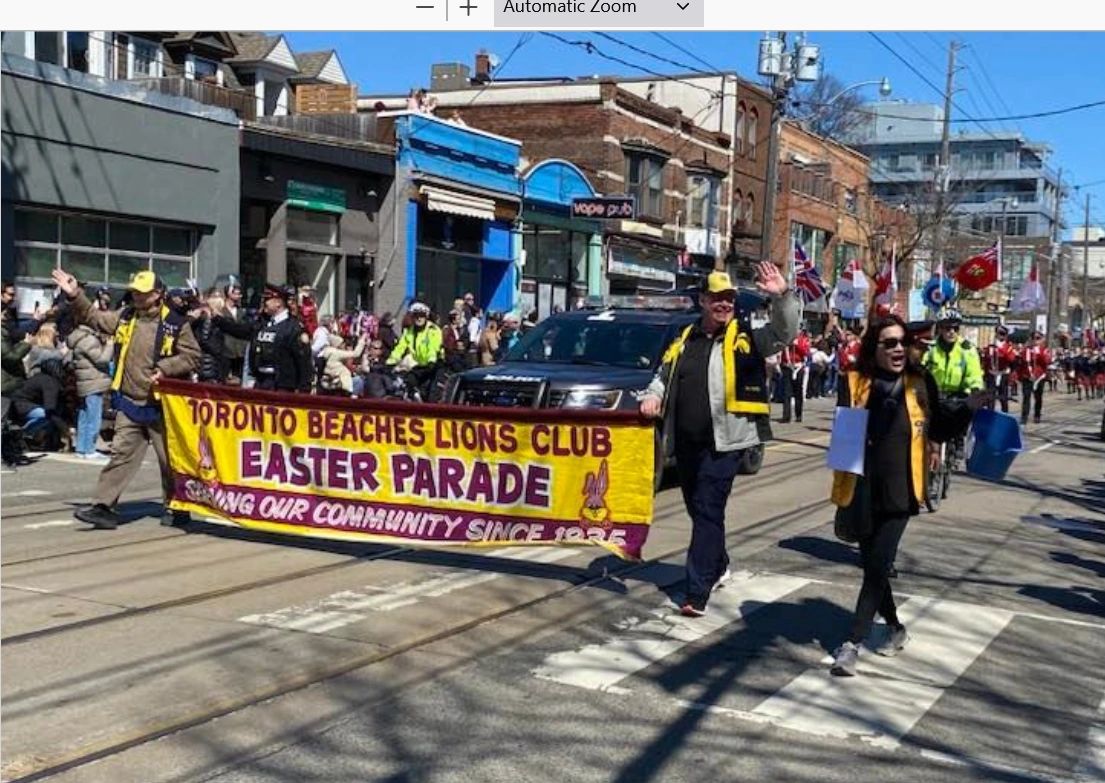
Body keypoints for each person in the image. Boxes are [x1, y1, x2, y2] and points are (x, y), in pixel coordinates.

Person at [829, 315, 986, 676]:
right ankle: (895, 627)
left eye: (902, 342)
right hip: (862, 488)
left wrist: (969, 407)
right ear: (875, 348)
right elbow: (844, 440)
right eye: (889, 343)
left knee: (877, 567)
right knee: (874, 566)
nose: (898, 348)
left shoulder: (919, 381)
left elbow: (940, 427)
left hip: (902, 490)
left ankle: (851, 644)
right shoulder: (853, 381)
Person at [640, 263, 798, 617]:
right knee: (700, 511)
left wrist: (783, 296)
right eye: (717, 298)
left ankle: (697, 590)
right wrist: (652, 395)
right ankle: (719, 562)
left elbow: (784, 332)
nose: (725, 304)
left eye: (729, 298)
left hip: (726, 442)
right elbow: (662, 376)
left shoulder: (748, 334)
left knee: (709, 508)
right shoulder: (685, 337)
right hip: (686, 443)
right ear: (703, 300)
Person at [50, 267, 201, 530]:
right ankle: (103, 506)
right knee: (120, 455)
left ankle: (177, 505)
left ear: (158, 294)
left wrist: (165, 368)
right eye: (134, 292)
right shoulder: (125, 316)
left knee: (170, 460)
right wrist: (75, 295)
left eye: (143, 293)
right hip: (130, 402)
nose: (137, 297)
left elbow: (192, 356)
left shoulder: (176, 323)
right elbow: (94, 318)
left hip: (163, 405)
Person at [220, 283, 313, 393]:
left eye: (267, 299)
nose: (264, 303)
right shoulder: (262, 324)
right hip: (261, 382)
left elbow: (304, 364)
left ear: (278, 303)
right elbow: (239, 330)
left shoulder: (293, 328)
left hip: (282, 386)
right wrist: (216, 318)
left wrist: (303, 391)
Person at [66, 320, 113, 461]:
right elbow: (102, 359)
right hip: (93, 381)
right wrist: (109, 345)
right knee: (94, 417)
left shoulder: (77, 338)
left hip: (84, 382)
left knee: (84, 416)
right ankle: (90, 449)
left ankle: (81, 448)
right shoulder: (88, 340)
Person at [922, 310, 984, 401]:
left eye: (956, 328)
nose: (952, 332)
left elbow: (975, 375)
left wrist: (975, 390)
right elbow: (919, 370)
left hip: (958, 399)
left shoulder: (967, 349)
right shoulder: (931, 348)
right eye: (948, 328)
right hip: (933, 397)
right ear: (940, 329)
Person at [387, 301, 443, 400]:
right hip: (419, 365)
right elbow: (400, 348)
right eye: (416, 316)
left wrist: (431, 361)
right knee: (408, 382)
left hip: (434, 365)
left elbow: (433, 347)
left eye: (422, 316)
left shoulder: (433, 330)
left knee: (432, 395)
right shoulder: (409, 331)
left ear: (426, 317)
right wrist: (390, 362)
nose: (419, 318)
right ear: (412, 317)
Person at [193, 288, 233, 385]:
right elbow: (204, 340)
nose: (219, 299)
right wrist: (219, 352)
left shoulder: (219, 316)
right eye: (215, 296)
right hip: (208, 364)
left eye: (220, 296)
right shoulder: (207, 317)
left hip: (216, 364)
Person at [1016, 330, 1051, 425]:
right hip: (1027, 377)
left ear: (1042, 339)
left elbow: (1047, 361)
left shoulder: (1044, 350)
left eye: (1038, 338)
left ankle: (1037, 415)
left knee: (1038, 397)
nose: (1035, 340)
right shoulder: (1026, 350)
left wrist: (1040, 353)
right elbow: (1021, 363)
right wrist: (1019, 376)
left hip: (1039, 377)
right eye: (1033, 338)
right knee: (1026, 397)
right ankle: (1024, 417)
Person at [981, 325, 1017, 413]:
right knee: (990, 398)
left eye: (1002, 334)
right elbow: (986, 361)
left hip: (1003, 374)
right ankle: (990, 415)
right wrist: (984, 373)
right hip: (992, 374)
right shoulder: (990, 347)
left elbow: (1011, 359)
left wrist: (1001, 348)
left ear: (1006, 335)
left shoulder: (1009, 347)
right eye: (998, 333)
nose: (1000, 336)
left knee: (1003, 398)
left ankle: (1005, 414)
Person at [779, 330, 810, 423]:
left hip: (798, 367)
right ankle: (786, 416)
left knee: (798, 392)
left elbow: (806, 353)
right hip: (788, 366)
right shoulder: (786, 339)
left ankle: (798, 415)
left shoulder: (803, 340)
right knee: (787, 392)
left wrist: (797, 345)